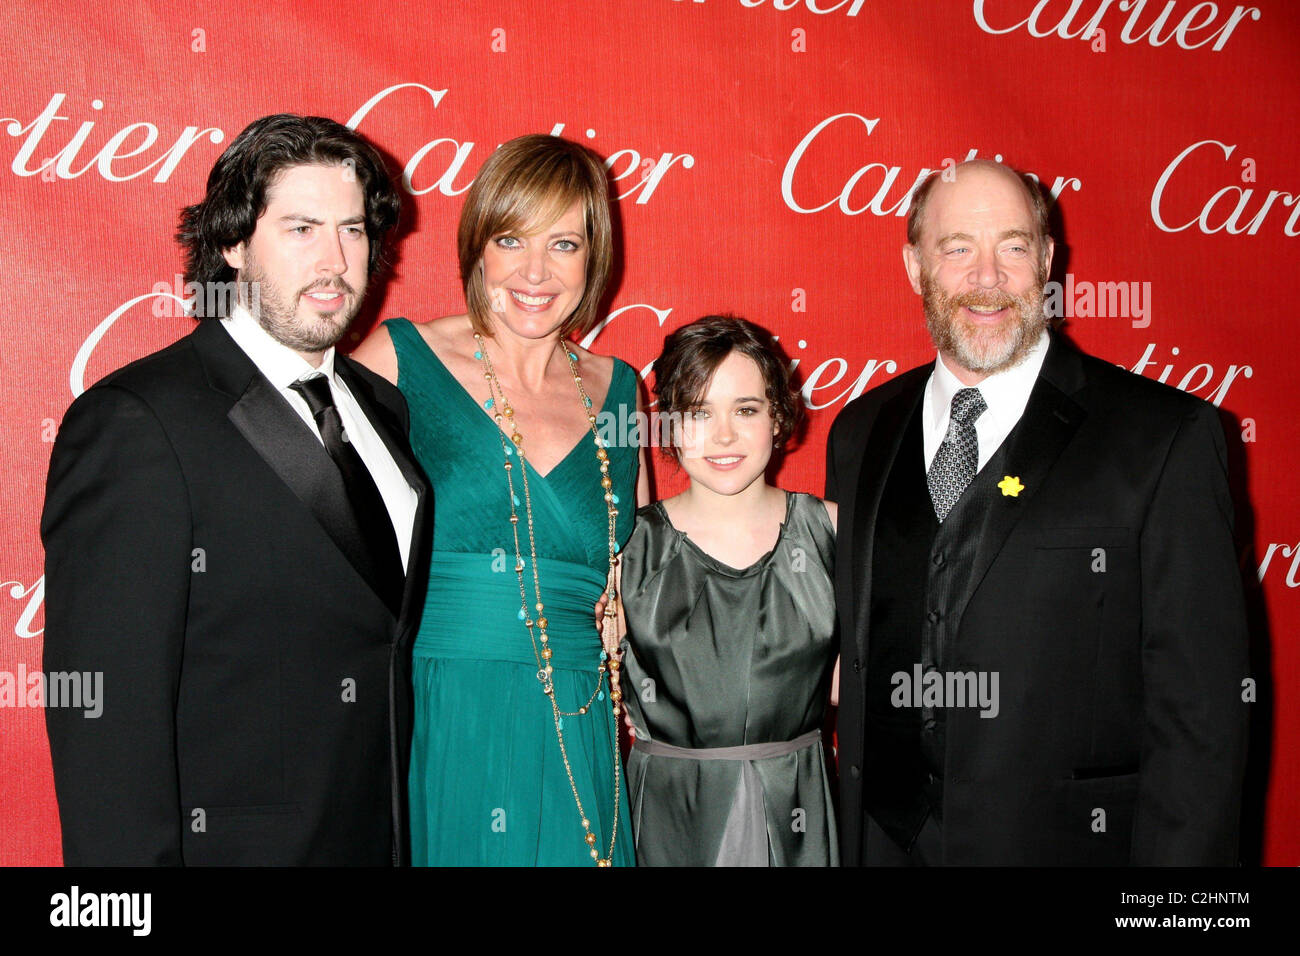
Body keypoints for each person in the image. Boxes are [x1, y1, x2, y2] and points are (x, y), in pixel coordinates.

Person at [826, 159, 1250, 866]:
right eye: (957, 247)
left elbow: (1202, 719)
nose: (986, 277)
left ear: (1048, 260)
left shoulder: (1164, 438)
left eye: (1014, 247)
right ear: (913, 265)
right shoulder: (862, 430)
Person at [41, 114, 431, 865]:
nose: (335, 262)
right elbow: (105, 719)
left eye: (351, 230)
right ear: (231, 242)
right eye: (301, 229)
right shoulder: (138, 421)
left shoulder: (382, 410)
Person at [353, 133, 647, 866]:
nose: (536, 272)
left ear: (595, 258)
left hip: (579, 724)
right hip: (442, 712)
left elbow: (642, 572)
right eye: (512, 238)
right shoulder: (399, 360)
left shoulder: (622, 390)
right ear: (479, 243)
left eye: (565, 244)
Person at [615, 316, 838, 866]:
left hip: (798, 814)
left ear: (777, 416)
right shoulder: (627, 549)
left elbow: (858, 686)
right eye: (698, 413)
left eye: (745, 409)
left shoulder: (833, 531)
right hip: (667, 822)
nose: (723, 437)